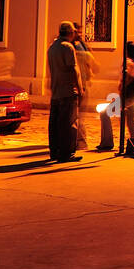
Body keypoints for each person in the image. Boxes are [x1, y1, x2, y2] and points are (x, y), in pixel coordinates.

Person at [46, 21, 84, 163]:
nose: (75, 34)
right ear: (69, 32)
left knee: (55, 123)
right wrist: (79, 88)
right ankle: (67, 153)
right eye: (74, 32)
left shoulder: (52, 47)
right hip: (68, 91)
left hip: (56, 91)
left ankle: (54, 151)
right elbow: (73, 69)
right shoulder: (68, 47)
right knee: (69, 123)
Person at [98, 41, 134, 154]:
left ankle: (107, 142)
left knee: (104, 113)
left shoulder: (128, 63)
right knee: (130, 121)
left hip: (127, 96)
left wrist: (120, 91)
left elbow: (126, 79)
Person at [71, 23, 99, 150]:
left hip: (83, 84)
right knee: (75, 116)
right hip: (75, 85)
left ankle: (80, 141)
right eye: (78, 32)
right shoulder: (70, 47)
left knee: (79, 115)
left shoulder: (82, 45)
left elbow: (94, 65)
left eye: (81, 32)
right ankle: (80, 142)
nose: (80, 34)